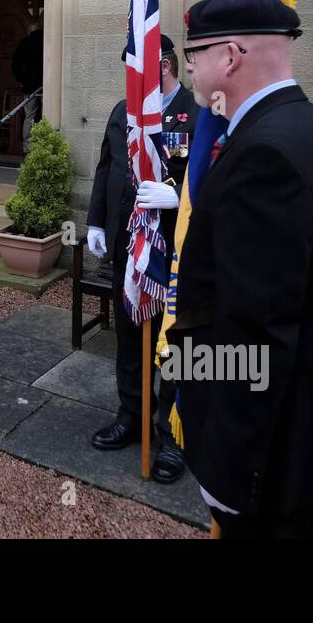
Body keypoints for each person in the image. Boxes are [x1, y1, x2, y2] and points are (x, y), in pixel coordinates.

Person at [171, 0, 313, 539]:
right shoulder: (310, 125)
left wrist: (231, 472)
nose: (188, 65)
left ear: (231, 57)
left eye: (196, 52)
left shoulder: (267, 155)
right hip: (306, 438)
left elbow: (256, 329)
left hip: (278, 460)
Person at [84, 36, 192, 482]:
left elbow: (214, 179)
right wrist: (95, 222)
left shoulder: (197, 113)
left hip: (174, 250)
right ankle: (132, 415)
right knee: (130, 337)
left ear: (162, 65)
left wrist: (180, 196)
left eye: (137, 68)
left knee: (172, 345)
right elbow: (107, 167)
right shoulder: (121, 111)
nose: (129, 78)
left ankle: (172, 436)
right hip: (129, 245)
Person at [11, 22, 43, 147]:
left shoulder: (24, 43)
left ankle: (27, 146)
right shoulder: (47, 40)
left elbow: (15, 66)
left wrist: (22, 80)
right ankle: (44, 144)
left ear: (29, 31)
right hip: (47, 85)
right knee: (48, 115)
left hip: (29, 86)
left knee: (29, 116)